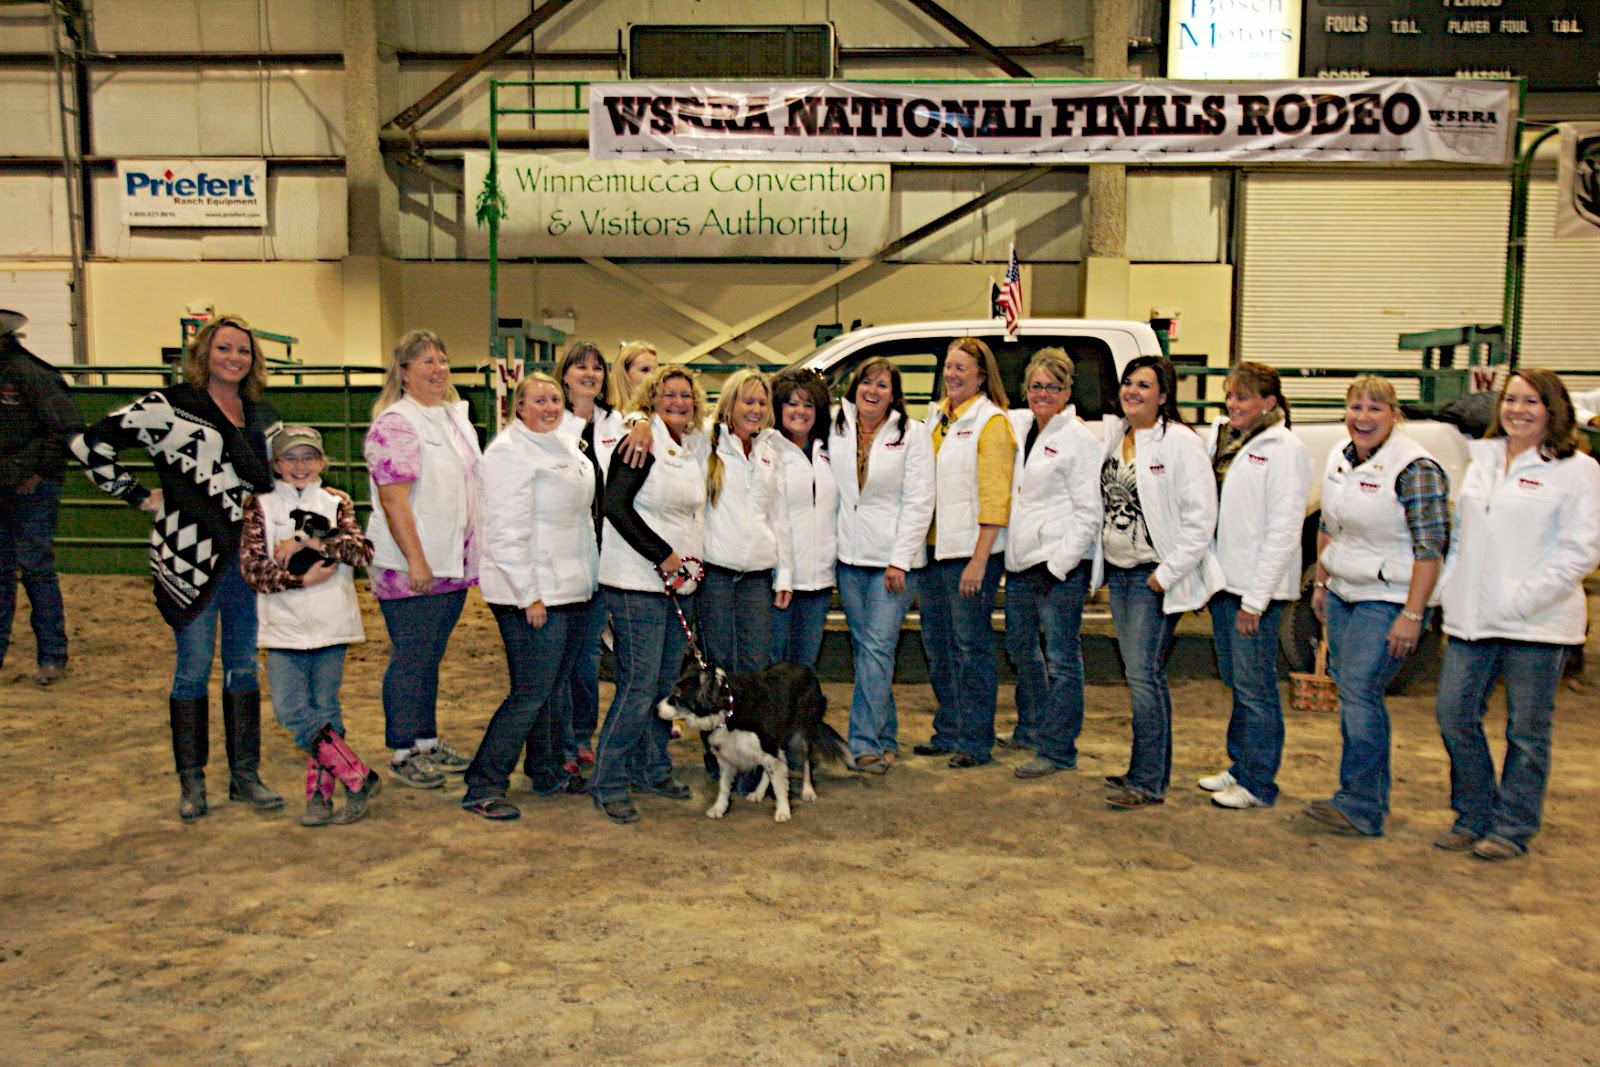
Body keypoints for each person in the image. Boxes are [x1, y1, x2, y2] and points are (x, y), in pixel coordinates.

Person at [72, 314, 284, 821]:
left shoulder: (261, 413)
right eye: (224, 348)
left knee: (242, 666)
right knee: (192, 668)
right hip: (188, 557)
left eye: (243, 351)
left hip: (246, 559)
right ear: (203, 354)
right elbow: (89, 444)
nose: (234, 358)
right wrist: (137, 495)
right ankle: (192, 782)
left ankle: (245, 775)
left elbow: (274, 481)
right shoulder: (167, 407)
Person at [1432, 370, 1600, 861]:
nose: (1517, 410)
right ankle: (1473, 814)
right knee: (1454, 716)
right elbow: (1462, 536)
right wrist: (1450, 590)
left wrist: (1523, 600)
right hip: (1471, 619)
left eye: (1531, 402)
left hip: (1537, 623)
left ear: (1553, 410)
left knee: (1526, 731)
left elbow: (1581, 550)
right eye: (1510, 400)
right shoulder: (1482, 459)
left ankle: (1512, 827)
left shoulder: (1577, 470)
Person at [1307, 376, 1449, 837]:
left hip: (1388, 596)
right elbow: (1329, 524)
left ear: (1394, 415)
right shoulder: (1341, 456)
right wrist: (1322, 582)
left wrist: (1413, 614)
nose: (1363, 417)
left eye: (1375, 408)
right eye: (1356, 407)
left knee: (1359, 689)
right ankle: (1354, 796)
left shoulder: (1416, 468)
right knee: (1351, 688)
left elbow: (1431, 548)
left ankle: (1363, 806)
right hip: (1344, 591)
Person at [464, 373, 598, 821]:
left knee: (553, 690)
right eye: (538, 400)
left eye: (554, 399)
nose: (549, 407)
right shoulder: (508, 454)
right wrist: (529, 595)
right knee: (530, 692)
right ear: (517, 407)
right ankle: (483, 784)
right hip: (531, 595)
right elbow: (504, 534)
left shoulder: (564, 446)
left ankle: (547, 771)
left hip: (572, 588)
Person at [1094, 355, 1224, 810]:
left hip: (1153, 578)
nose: (1132, 391)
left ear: (1164, 395)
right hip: (1120, 573)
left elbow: (1200, 518)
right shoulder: (1119, 436)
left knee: (1143, 675)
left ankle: (1148, 782)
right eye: (1128, 382)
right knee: (1141, 675)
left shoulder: (1181, 443)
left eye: (1144, 385)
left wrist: (1165, 576)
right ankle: (1144, 770)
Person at [239, 426, 382, 826]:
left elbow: (360, 552)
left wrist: (308, 542)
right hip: (282, 626)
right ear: (276, 464)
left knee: (325, 710)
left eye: (308, 457)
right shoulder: (260, 505)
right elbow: (252, 568)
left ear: (321, 462)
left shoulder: (337, 502)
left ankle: (319, 798)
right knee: (290, 710)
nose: (299, 466)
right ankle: (357, 776)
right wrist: (300, 580)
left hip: (331, 622)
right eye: (290, 458)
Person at [590, 365, 710, 825]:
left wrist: (680, 566)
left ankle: (652, 768)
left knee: (663, 683)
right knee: (638, 684)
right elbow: (615, 506)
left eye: (686, 395)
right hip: (636, 582)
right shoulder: (638, 441)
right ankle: (608, 781)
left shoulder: (690, 446)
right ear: (651, 399)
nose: (678, 402)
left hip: (678, 584)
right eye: (668, 394)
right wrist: (662, 555)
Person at [364, 329, 481, 790]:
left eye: (442, 360)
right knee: (411, 657)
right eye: (426, 362)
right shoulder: (396, 424)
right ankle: (402, 750)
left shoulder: (453, 418)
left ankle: (427, 740)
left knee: (430, 657)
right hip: (410, 566)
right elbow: (394, 501)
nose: (438, 369)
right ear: (404, 372)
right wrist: (416, 561)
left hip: (450, 563)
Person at [1198, 362, 1310, 810]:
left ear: (1269, 402)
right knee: (1237, 682)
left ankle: (1260, 782)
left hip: (1255, 591)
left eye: (1242, 397)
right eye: (1229, 395)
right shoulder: (1229, 441)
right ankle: (1241, 765)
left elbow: (1284, 529)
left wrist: (1256, 600)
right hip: (1227, 584)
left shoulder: (1285, 449)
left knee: (1256, 687)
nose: (1232, 404)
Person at [1001, 349, 1102, 780]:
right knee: (1021, 648)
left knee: (1061, 657)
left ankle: (1059, 748)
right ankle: (1032, 727)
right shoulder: (1022, 428)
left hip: (1058, 568)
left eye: (1052, 387)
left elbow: (1089, 512)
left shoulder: (1080, 440)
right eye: (1036, 386)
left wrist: (1058, 565)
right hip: (1021, 562)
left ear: (1066, 392)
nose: (1043, 394)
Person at [829, 358, 934, 774]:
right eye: (866, 382)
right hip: (849, 560)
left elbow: (920, 501)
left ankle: (863, 743)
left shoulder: (913, 434)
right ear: (855, 387)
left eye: (883, 385)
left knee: (876, 648)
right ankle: (886, 736)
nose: (872, 391)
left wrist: (900, 560)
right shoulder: (836, 425)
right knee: (869, 652)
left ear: (895, 395)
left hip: (893, 564)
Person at [915, 337, 1014, 769]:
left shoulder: (991, 422)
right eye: (949, 367)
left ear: (981, 376)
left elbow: (996, 495)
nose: (952, 375)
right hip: (933, 552)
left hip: (969, 554)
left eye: (962, 368)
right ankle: (950, 729)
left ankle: (976, 740)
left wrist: (979, 559)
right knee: (938, 647)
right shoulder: (936, 418)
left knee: (971, 648)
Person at [0, 309, 81, 686]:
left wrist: (35, 472)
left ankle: (52, 656)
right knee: (18, 570)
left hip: (31, 484)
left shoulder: (30, 374)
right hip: (13, 480)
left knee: (33, 567)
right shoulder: (26, 372)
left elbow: (66, 429)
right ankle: (50, 657)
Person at [555, 340, 626, 770]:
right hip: (563, 557)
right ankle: (559, 740)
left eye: (597, 367)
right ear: (564, 375)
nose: (589, 374)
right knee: (560, 657)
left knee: (587, 658)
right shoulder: (550, 422)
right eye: (580, 367)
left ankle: (581, 736)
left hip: (605, 557)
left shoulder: (617, 422)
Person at [769, 367, 837, 668]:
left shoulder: (828, 450)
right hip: (777, 581)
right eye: (792, 403)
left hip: (818, 583)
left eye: (809, 404)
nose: (801, 411)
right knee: (773, 667)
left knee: (804, 670)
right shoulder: (767, 449)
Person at [612, 340, 659, 410]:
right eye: (645, 370)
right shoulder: (607, 413)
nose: (654, 377)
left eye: (656, 371)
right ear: (624, 373)